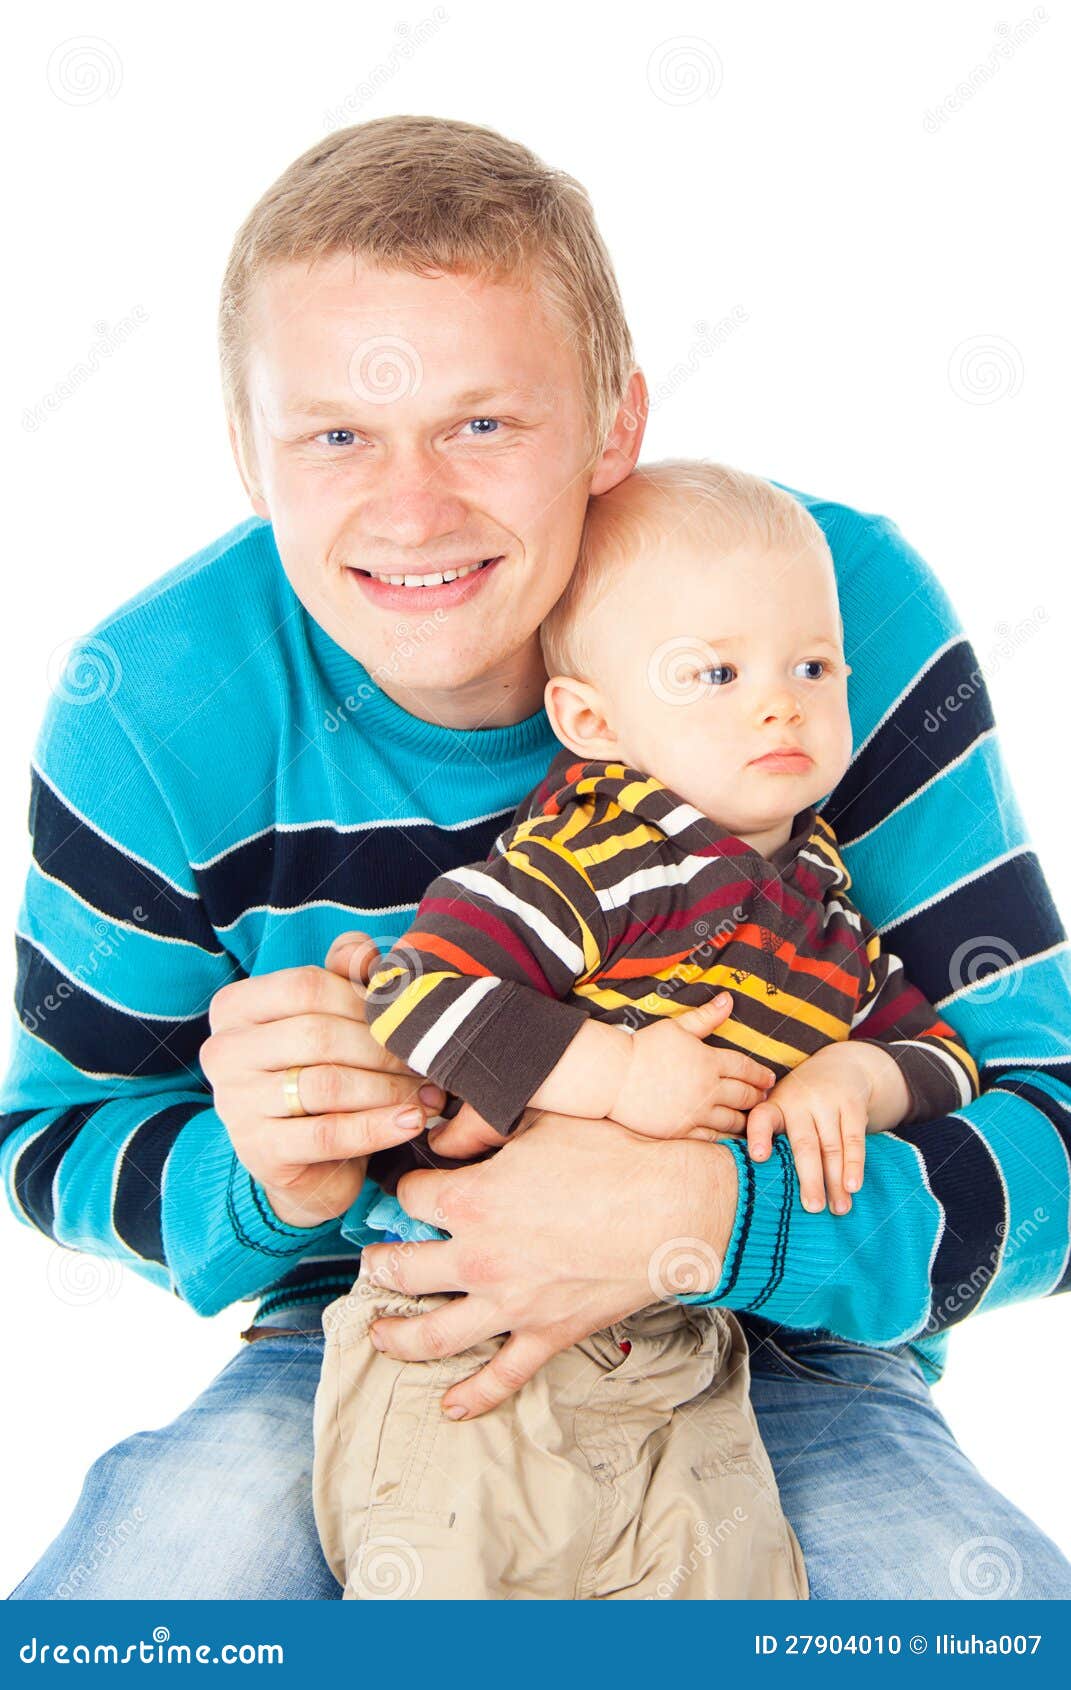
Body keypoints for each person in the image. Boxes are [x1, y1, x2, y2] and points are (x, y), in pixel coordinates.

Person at [3, 116, 1070, 1601]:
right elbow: (52, 1142)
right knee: (137, 1606)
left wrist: (713, 1221)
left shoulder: (814, 622)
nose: (412, 507)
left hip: (793, 1341)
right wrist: (261, 1175)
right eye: (335, 434)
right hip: (371, 1325)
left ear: (612, 426)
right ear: (245, 452)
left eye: (483, 422)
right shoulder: (151, 704)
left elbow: (1049, 1119)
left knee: (978, 1613)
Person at [310, 461, 978, 1599]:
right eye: (714, 673)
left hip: (690, 1357)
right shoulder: (599, 856)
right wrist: (615, 1073)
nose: (780, 702)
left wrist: (860, 1078)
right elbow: (418, 993)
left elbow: (950, 1057)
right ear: (593, 720)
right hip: (468, 1344)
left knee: (735, 1603)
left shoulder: (828, 919)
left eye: (811, 666)